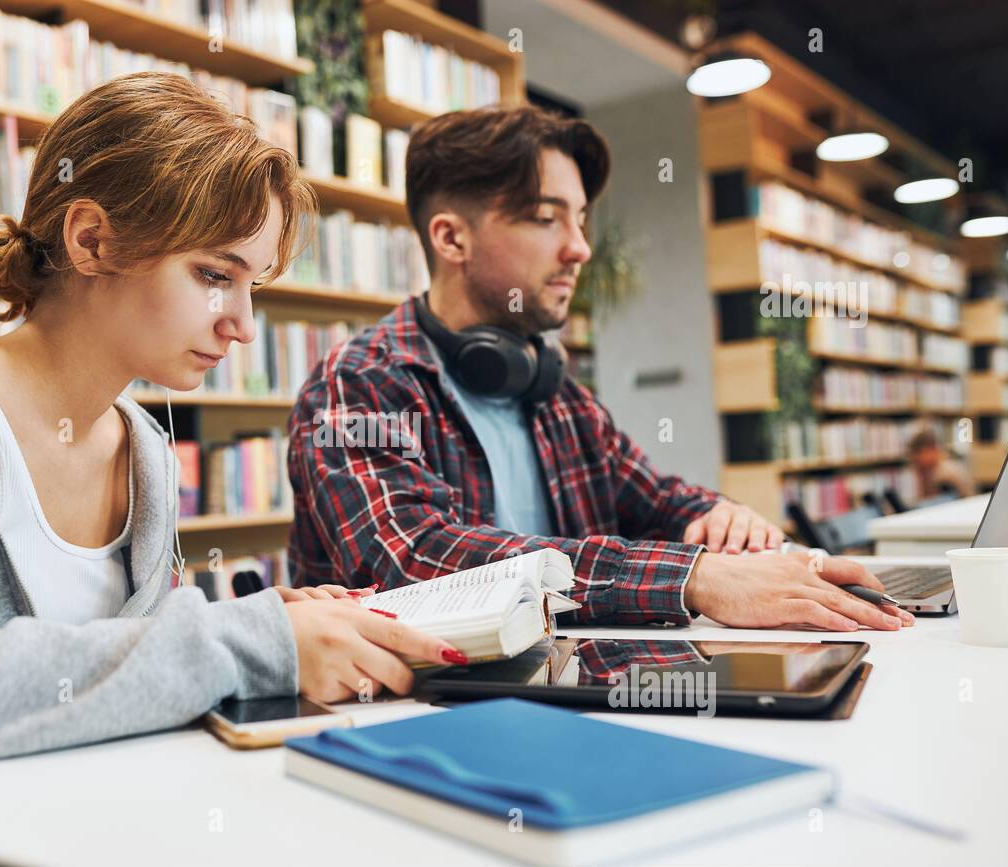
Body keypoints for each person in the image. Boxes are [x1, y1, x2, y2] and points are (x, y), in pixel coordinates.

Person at [0, 73, 461, 775]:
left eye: (252, 284)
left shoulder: (144, 450)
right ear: (92, 242)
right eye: (214, 275)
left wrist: (265, 626)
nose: (241, 324)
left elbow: (97, 677)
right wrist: (242, 642)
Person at [286, 104, 913, 635]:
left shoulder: (556, 393)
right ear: (452, 240)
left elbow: (659, 499)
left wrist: (722, 522)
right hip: (410, 719)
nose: (580, 248)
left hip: (561, 690)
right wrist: (693, 578)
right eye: (545, 217)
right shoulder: (359, 385)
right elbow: (415, 558)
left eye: (580, 219)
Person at [908, 428, 974, 499]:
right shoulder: (930, 470)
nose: (915, 459)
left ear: (932, 449)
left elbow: (939, 502)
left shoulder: (946, 473)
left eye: (919, 453)